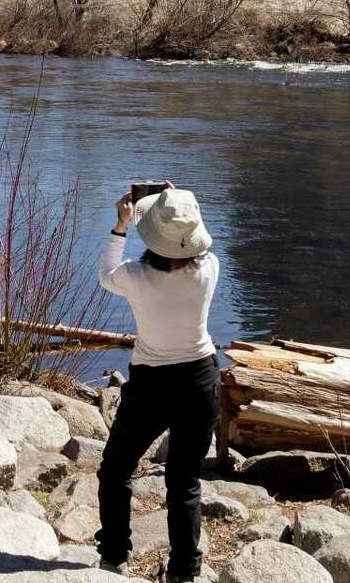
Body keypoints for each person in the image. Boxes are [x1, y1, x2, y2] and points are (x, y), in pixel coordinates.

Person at [95, 182, 220, 582]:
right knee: (184, 482)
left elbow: (106, 274)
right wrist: (176, 202)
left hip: (151, 387)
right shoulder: (210, 269)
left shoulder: (135, 276)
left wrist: (121, 225)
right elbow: (195, 244)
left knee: (116, 470)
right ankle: (184, 571)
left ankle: (114, 557)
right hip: (200, 380)